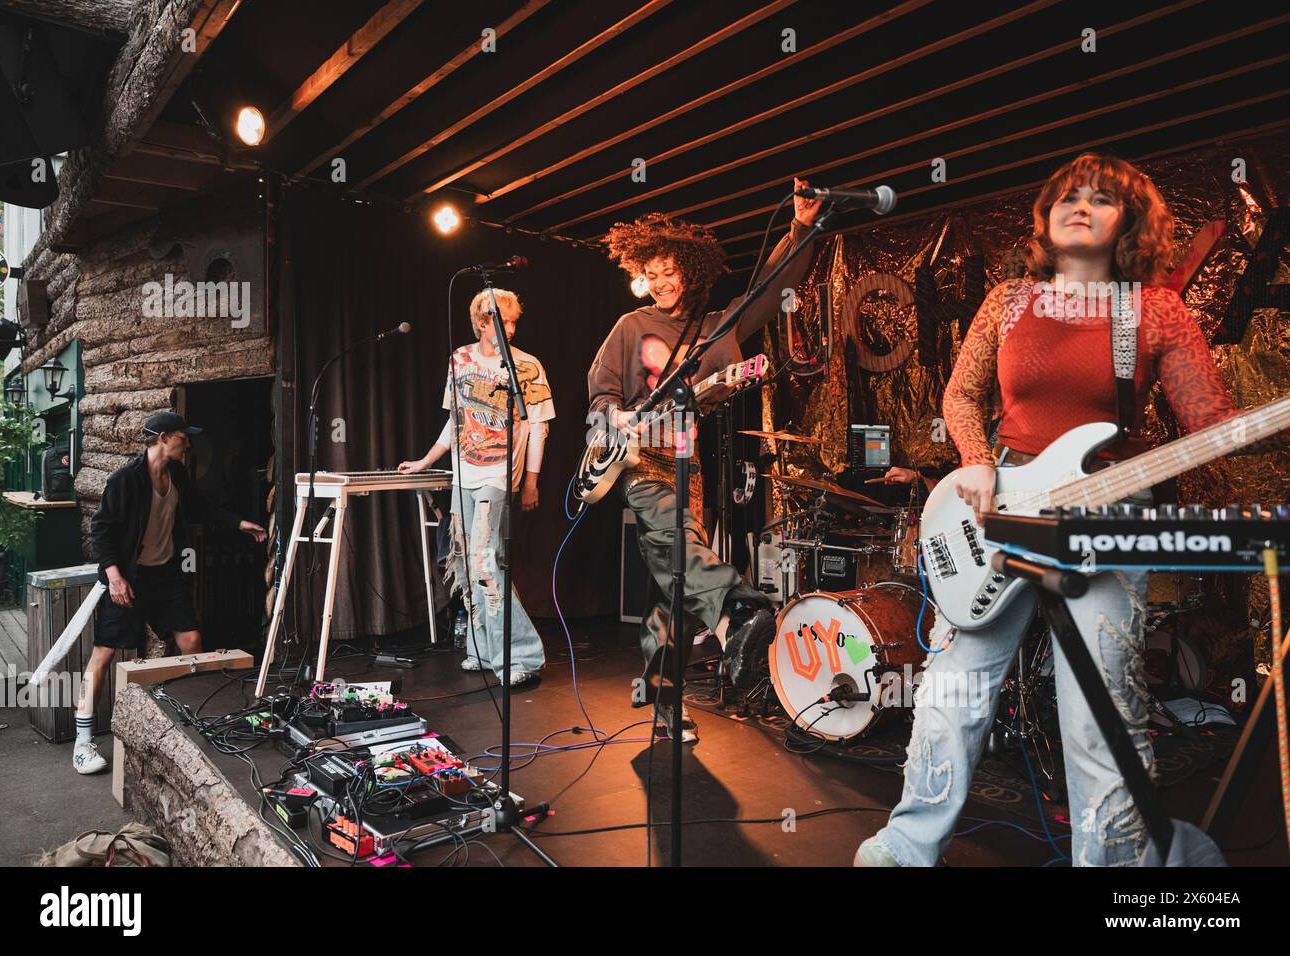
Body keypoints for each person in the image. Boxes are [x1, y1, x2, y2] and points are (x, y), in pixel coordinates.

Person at [855, 152, 1283, 866]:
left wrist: (1264, 422)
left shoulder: (1155, 310)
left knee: (1102, 711)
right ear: (1046, 219)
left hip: (1107, 509)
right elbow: (962, 396)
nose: (1081, 205)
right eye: (1067, 197)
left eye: (1101, 199)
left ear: (1128, 224)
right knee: (953, 689)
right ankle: (906, 844)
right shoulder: (1009, 302)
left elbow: (1211, 421)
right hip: (1006, 499)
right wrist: (975, 461)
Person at [588, 178, 822, 742]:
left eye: (671, 269)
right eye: (652, 270)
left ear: (690, 270)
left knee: (673, 587)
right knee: (677, 547)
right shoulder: (631, 326)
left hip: (689, 466)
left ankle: (662, 695)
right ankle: (738, 611)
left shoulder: (716, 325)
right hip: (640, 463)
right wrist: (612, 415)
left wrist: (802, 227)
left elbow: (771, 288)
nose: (661, 280)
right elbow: (600, 391)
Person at [74, 411, 267, 774]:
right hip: (128, 578)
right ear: (163, 437)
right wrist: (114, 577)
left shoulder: (176, 473)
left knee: (192, 640)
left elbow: (200, 508)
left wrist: (239, 523)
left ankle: (191, 718)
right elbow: (101, 530)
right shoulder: (125, 481)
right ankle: (83, 742)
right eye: (183, 436)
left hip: (164, 575)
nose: (189, 442)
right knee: (103, 654)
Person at [399, 288, 554, 686]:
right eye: (505, 321)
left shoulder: (528, 366)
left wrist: (531, 481)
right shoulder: (460, 360)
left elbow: (538, 427)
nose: (512, 329)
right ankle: (482, 649)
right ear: (483, 321)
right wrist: (425, 460)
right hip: (464, 474)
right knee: (467, 566)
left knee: (486, 561)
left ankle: (522, 654)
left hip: (500, 475)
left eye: (516, 321)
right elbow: (457, 422)